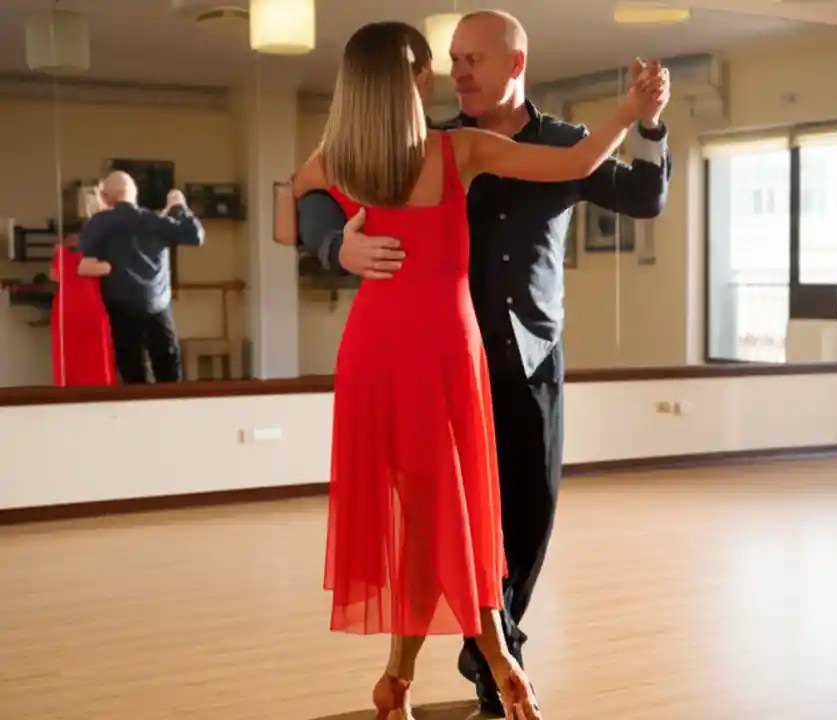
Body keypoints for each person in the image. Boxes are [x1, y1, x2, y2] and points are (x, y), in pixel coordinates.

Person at [297, 13, 672, 713]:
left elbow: (615, 179)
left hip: (491, 356)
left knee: (478, 524)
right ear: (411, 81)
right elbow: (303, 199)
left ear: (515, 61)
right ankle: (502, 665)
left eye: (471, 58)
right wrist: (334, 249)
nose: (453, 72)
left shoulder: (437, 147)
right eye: (444, 62)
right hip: (438, 355)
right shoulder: (441, 147)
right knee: (459, 524)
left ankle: (411, 676)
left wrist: (642, 121)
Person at [77, 173, 204, 384]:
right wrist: (178, 206)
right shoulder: (153, 220)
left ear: (105, 196)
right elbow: (196, 235)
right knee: (169, 373)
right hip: (158, 307)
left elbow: (80, 260)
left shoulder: (99, 223)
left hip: (120, 308)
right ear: (134, 194)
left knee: (133, 375)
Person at [49, 199, 116, 388]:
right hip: (89, 306)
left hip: (64, 308)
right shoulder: (94, 247)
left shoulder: (60, 250)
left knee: (68, 356)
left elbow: (54, 275)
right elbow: (100, 269)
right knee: (94, 357)